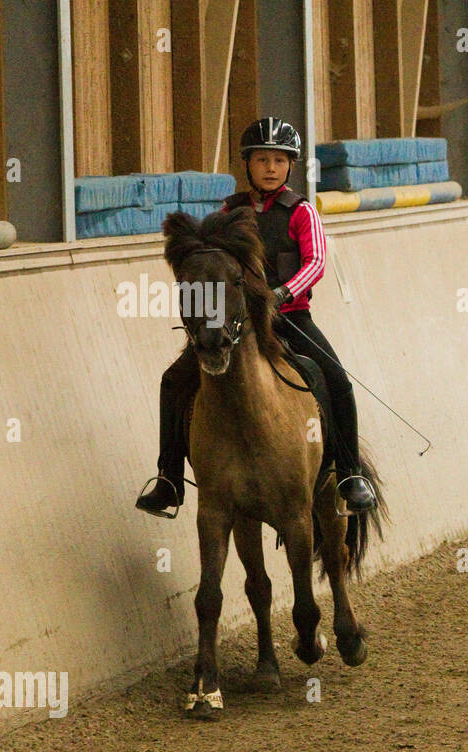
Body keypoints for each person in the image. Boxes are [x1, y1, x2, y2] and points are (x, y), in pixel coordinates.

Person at [135, 116, 377, 517]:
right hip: (235, 322)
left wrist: (281, 294)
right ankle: (169, 478)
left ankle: (350, 474)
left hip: (290, 318)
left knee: (336, 378)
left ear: (290, 166)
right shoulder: (229, 212)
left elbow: (316, 261)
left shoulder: (302, 211)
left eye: (279, 161)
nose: (270, 168)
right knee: (173, 380)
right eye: (262, 160)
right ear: (247, 164)